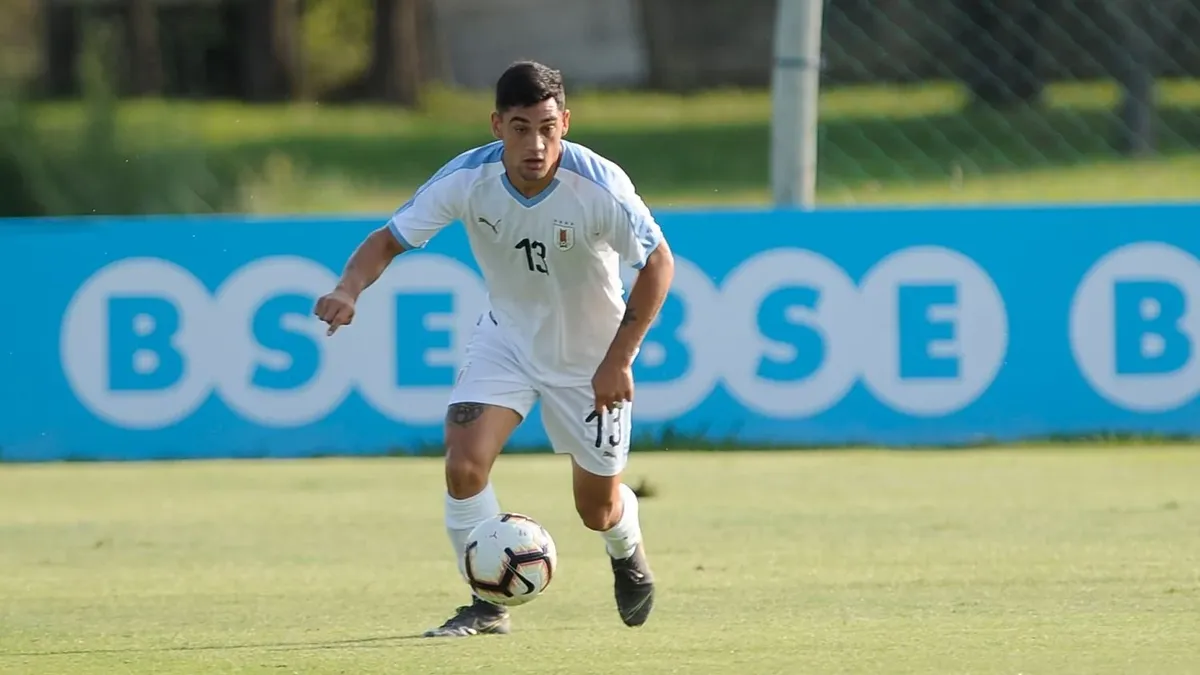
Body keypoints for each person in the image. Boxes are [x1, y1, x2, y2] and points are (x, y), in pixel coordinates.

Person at [313, 61, 675, 638]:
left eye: (548, 128)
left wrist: (618, 360)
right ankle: (486, 603)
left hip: (591, 359)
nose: (536, 145)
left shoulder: (599, 185)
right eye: (521, 128)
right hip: (506, 340)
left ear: (565, 123)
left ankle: (625, 546)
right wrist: (347, 289)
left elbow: (657, 263)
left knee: (596, 509)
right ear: (497, 125)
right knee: (463, 465)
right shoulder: (467, 179)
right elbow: (387, 240)